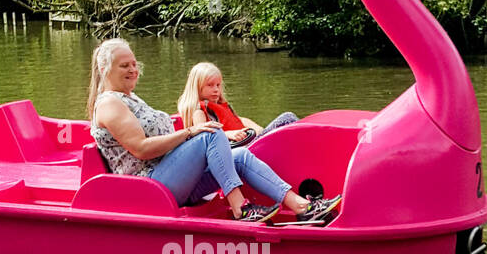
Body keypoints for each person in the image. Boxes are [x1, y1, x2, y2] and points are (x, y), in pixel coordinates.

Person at [87, 39, 340, 225]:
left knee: (238, 155)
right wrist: (190, 132)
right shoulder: (110, 103)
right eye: (124, 66)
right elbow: (141, 148)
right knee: (209, 133)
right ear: (104, 70)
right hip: (148, 186)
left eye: (134, 64)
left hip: (169, 178)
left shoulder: (130, 99)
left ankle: (303, 207)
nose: (133, 70)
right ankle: (241, 209)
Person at [177, 62, 298, 146]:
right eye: (210, 85)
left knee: (287, 121)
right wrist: (229, 134)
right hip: (241, 147)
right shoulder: (198, 111)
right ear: (197, 87)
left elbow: (239, 119)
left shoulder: (219, 105)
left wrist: (257, 129)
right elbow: (204, 136)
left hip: (249, 140)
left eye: (218, 85)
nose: (216, 89)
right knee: (288, 118)